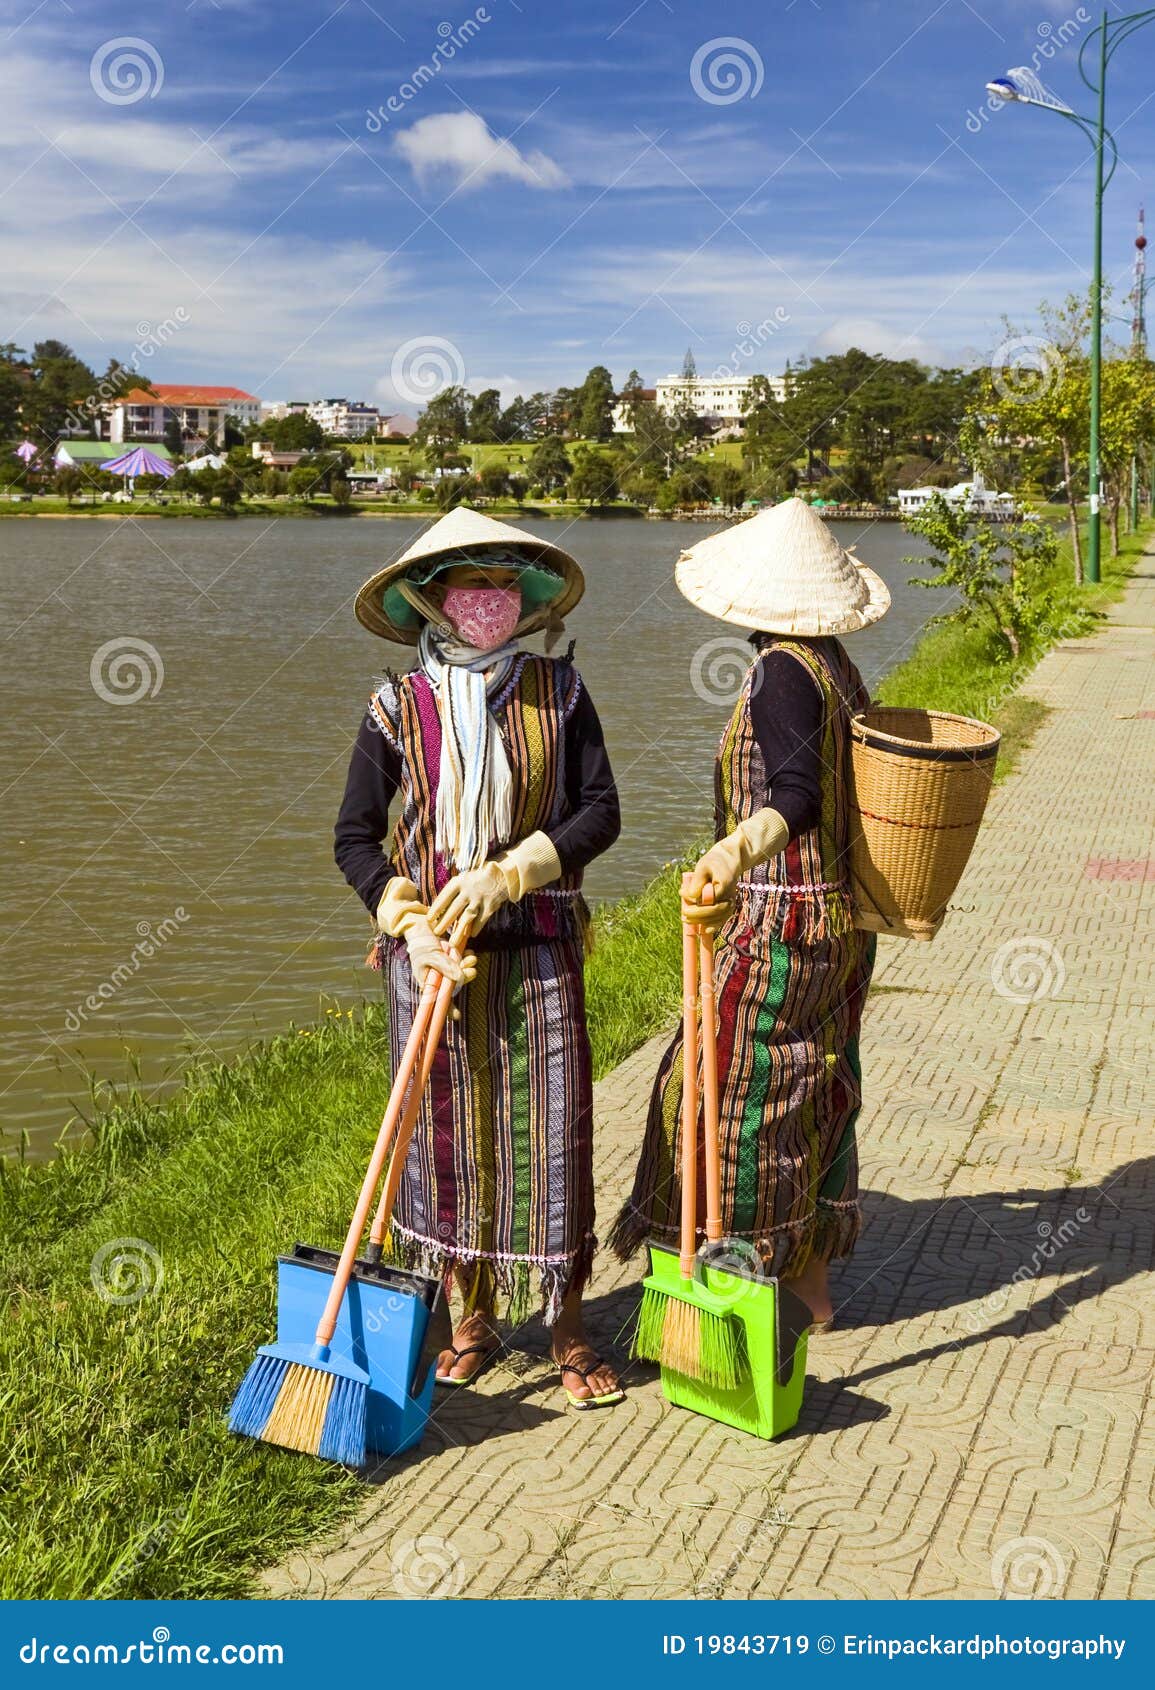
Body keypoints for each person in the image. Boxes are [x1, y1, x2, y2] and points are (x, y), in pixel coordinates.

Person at [335, 507, 624, 1408]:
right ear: (432, 601)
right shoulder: (393, 708)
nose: (489, 601)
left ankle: (568, 1322)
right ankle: (474, 1317)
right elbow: (353, 838)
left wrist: (513, 871)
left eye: (504, 585)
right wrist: (407, 920)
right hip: (434, 964)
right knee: (449, 1142)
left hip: (537, 947)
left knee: (551, 1131)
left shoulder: (560, 693)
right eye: (470, 587)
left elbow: (600, 812)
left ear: (525, 597)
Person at [610, 498, 891, 1329]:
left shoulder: (777, 672)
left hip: (780, 925)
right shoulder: (832, 663)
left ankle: (732, 1286)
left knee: (715, 1097)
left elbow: (797, 799)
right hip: (836, 923)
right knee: (810, 1088)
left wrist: (732, 854)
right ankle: (809, 1291)